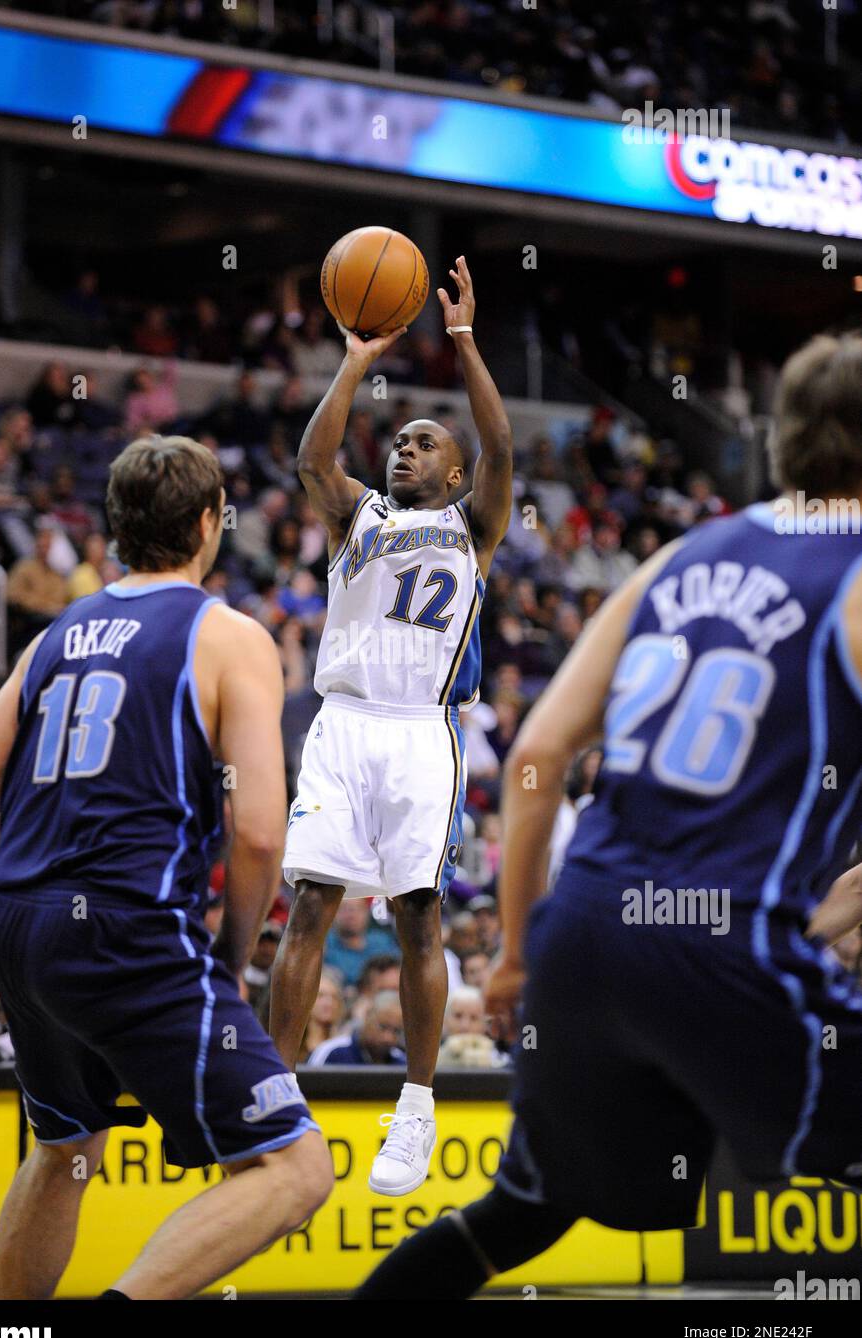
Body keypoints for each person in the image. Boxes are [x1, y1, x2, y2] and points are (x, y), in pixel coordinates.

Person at [355, 330, 862, 1297]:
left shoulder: (679, 557)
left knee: (525, 1211)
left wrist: (511, 952)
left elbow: (539, 756)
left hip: (585, 934)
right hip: (723, 949)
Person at [0, 434, 333, 1301]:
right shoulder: (229, 636)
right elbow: (261, 832)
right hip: (130, 929)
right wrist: (227, 955)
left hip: (23, 929)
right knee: (297, 1169)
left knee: (66, 1150)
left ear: (115, 528)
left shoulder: (55, 636)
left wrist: (26, 903)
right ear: (208, 523)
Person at [270, 256, 513, 1196]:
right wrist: (355, 357)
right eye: (398, 441)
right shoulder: (356, 515)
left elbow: (501, 449)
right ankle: (279, 1103)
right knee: (312, 908)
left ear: (452, 472)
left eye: (421, 444)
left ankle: (415, 1109)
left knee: (420, 917)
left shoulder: (475, 522)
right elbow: (310, 460)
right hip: (344, 723)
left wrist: (461, 340)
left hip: (422, 732)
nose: (401, 450)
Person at [307, 991, 406, 1066]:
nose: (388, 1038)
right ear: (367, 1017)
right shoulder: (332, 1052)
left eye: (396, 1031)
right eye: (382, 1027)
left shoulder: (401, 1062)